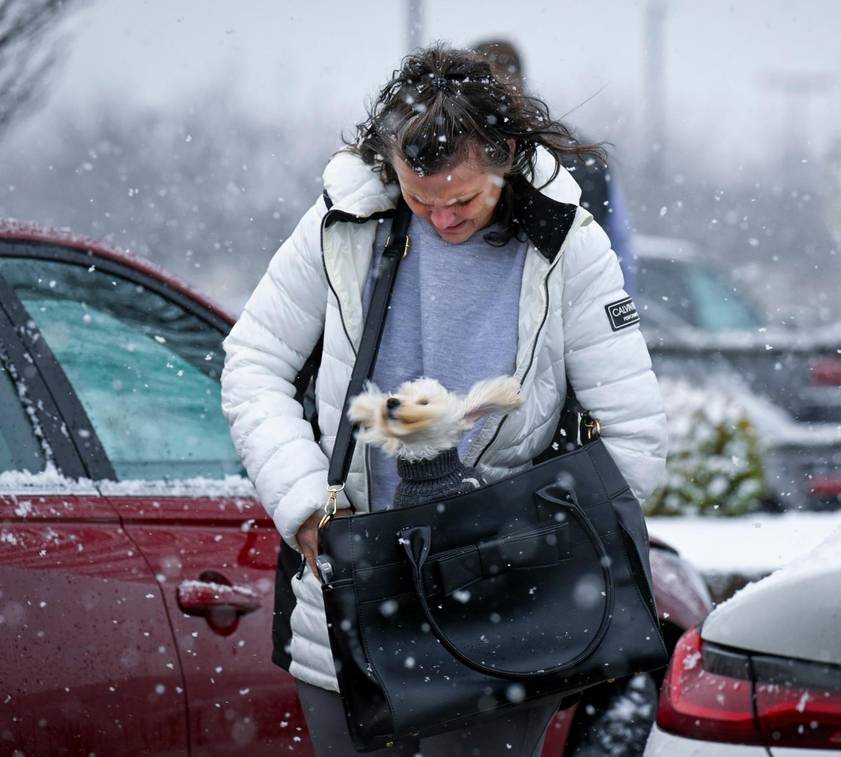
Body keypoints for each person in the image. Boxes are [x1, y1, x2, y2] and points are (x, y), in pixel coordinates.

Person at [220, 44, 666, 756]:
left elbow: (636, 437)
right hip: (355, 602)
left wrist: (531, 553)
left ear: (508, 155)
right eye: (420, 198)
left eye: (462, 198)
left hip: (509, 616)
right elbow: (252, 363)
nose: (442, 219)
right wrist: (305, 505)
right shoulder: (343, 222)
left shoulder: (568, 245)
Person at [473, 38, 639, 293]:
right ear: (519, 79)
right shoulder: (583, 155)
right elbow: (619, 249)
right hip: (578, 302)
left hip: (502, 307)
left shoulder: (460, 157)